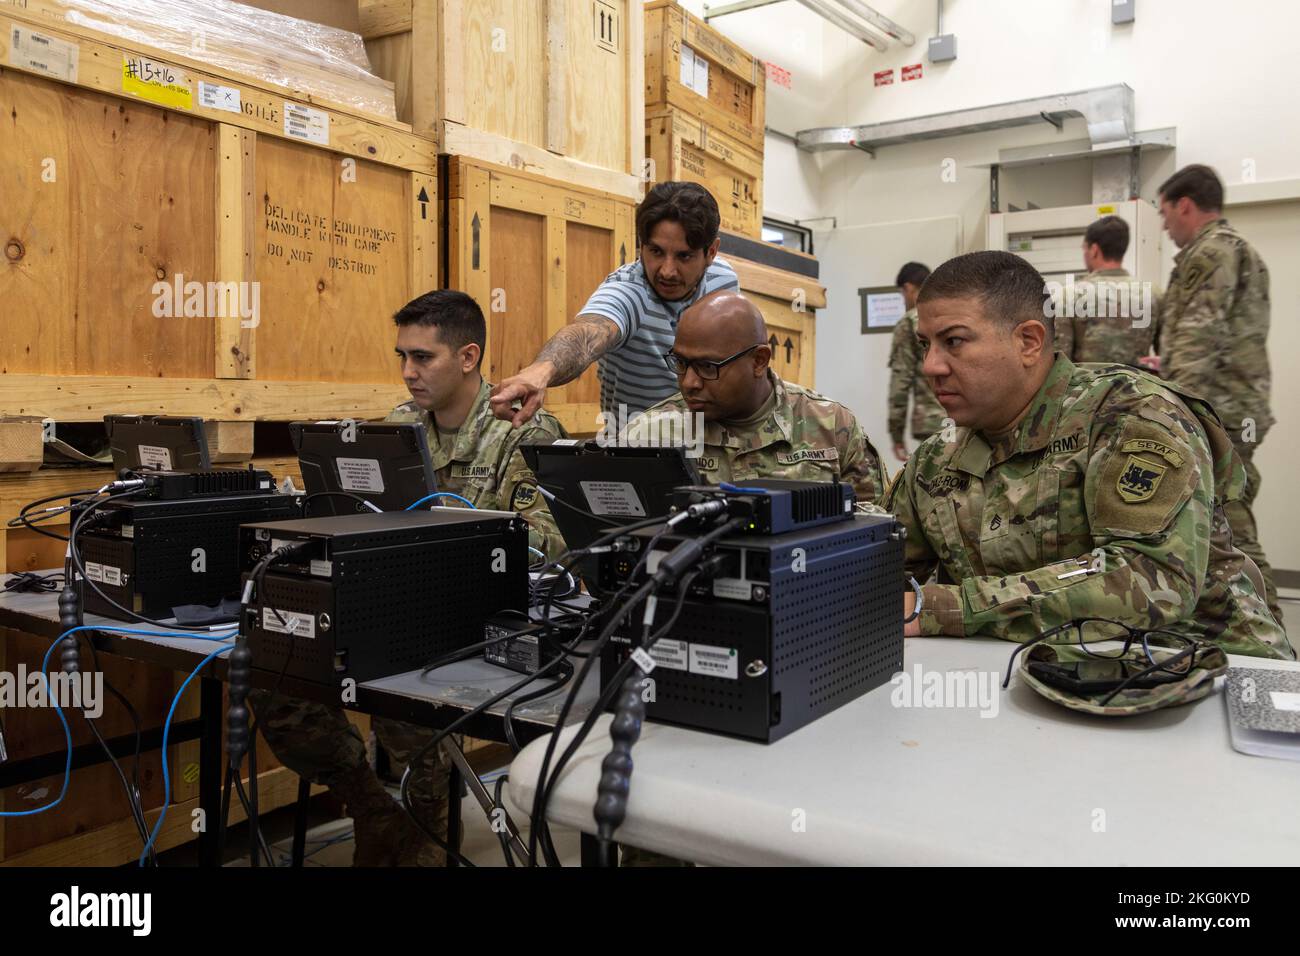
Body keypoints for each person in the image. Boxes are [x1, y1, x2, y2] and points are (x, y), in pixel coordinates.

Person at [252, 290, 568, 866]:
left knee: (398, 689)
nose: (407, 373)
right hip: (389, 599)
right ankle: (373, 810)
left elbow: (548, 548)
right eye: (402, 356)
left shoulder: (524, 429)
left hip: (477, 614)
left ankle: (426, 829)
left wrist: (451, 535)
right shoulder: (398, 428)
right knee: (273, 668)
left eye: (423, 358)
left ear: (468, 357)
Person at [883, 251, 1291, 662]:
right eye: (924, 345)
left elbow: (1148, 579)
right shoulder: (936, 460)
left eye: (953, 341)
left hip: (1202, 670)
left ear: (1028, 342)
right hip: (1034, 680)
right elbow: (885, 580)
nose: (931, 366)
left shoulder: (1131, 415)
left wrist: (949, 608)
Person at [490, 182, 739, 426]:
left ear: (711, 252)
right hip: (640, 452)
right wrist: (540, 372)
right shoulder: (628, 291)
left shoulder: (724, 281)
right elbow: (587, 333)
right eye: (656, 252)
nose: (667, 271)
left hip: (711, 444)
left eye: (683, 256)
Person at [1155, 163, 1281, 623]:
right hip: (1236, 406)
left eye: (1166, 214)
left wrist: (1175, 409)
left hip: (1219, 413)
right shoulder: (1240, 250)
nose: (1166, 225)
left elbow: (1199, 337)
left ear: (1184, 205)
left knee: (1230, 524)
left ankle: (1270, 636)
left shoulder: (1209, 253)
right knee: (1223, 518)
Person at [625, 290, 887, 505]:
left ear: (759, 361)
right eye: (680, 362)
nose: (689, 382)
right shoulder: (649, 435)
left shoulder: (833, 427)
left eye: (707, 367)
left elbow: (877, 534)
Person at [1054, 215, 1154, 366]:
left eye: (1084, 248)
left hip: (1089, 388)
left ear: (1094, 250)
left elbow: (1059, 362)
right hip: (1140, 388)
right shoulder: (1153, 294)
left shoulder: (1068, 296)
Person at [887, 261, 946, 462]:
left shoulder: (909, 322)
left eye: (902, 294)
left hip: (932, 423)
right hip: (966, 420)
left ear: (908, 288)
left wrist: (896, 435)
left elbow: (900, 383)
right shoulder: (950, 316)